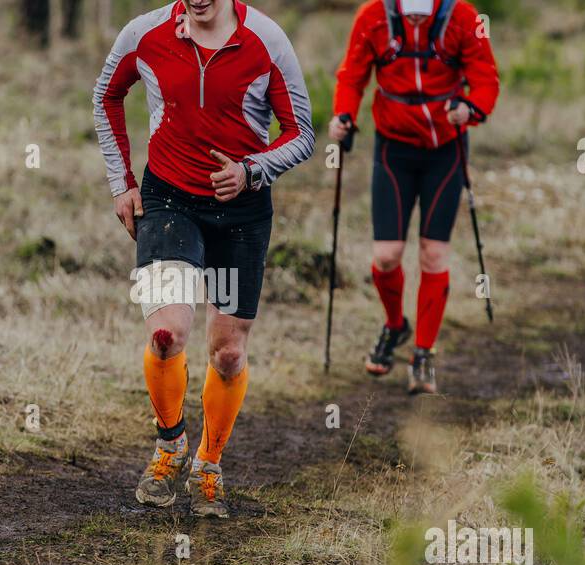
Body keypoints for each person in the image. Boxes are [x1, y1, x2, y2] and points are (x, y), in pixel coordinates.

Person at [93, 0, 314, 517]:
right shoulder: (143, 34)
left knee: (228, 353)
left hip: (240, 211)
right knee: (164, 334)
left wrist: (252, 169)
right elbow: (106, 96)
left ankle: (208, 464)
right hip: (168, 200)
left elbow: (302, 131)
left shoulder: (266, 40)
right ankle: (170, 446)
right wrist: (121, 183)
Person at [330, 0, 499, 394]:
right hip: (394, 149)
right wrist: (344, 115)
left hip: (446, 150)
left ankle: (423, 353)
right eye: (410, 12)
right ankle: (395, 326)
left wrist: (471, 109)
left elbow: (487, 78)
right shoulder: (371, 16)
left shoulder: (465, 18)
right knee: (386, 255)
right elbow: (352, 76)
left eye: (422, 11)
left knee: (433, 253)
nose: (417, 18)